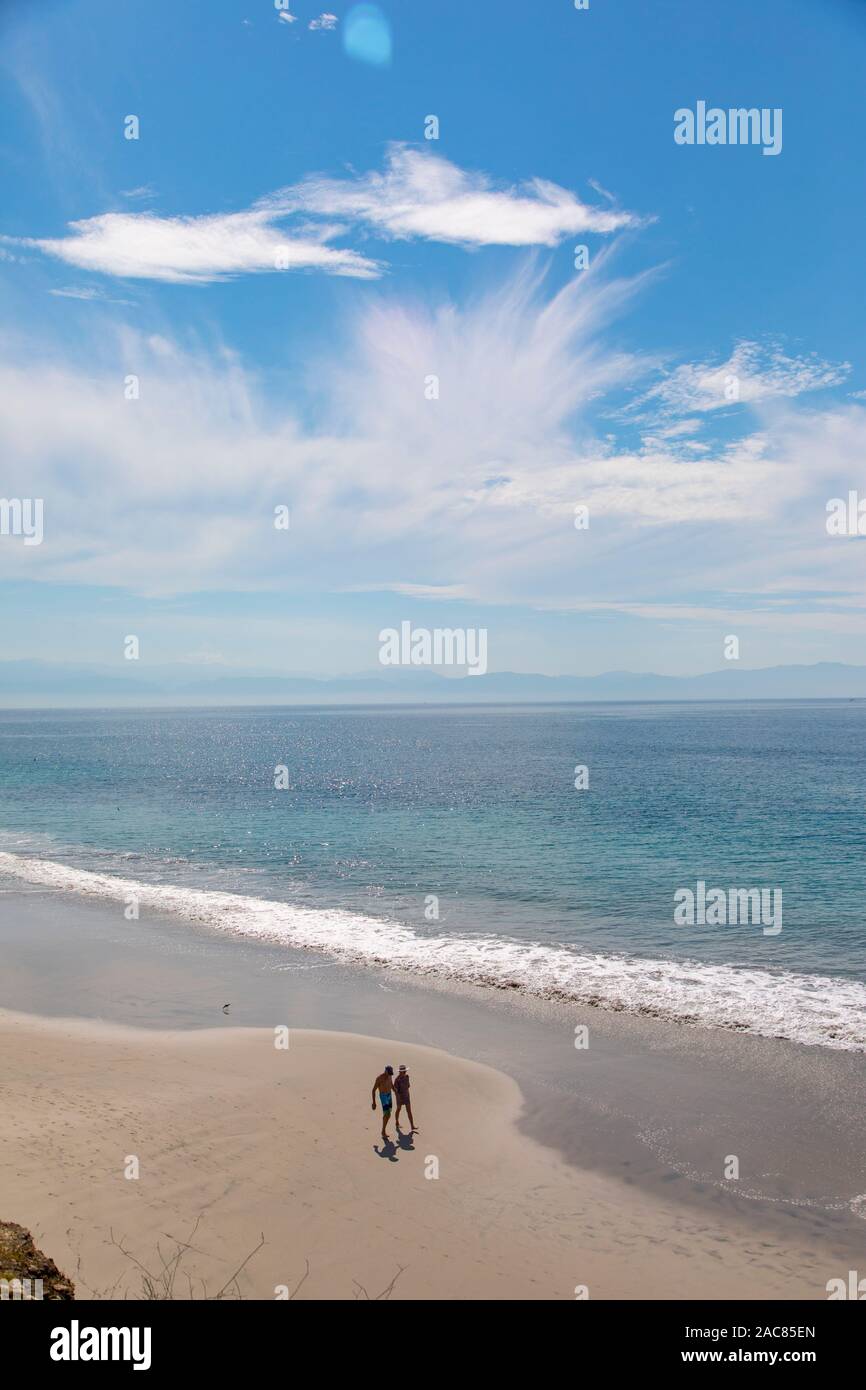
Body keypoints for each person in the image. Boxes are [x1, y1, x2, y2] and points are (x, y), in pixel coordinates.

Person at [371, 1065, 395, 1141]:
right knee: (388, 1114)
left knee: (388, 1114)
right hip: (383, 1096)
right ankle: (383, 1131)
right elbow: (373, 1090)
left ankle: (383, 1130)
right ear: (385, 1071)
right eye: (389, 1073)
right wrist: (374, 1102)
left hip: (389, 1095)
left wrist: (395, 1092)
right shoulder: (379, 1078)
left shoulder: (390, 1076)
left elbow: (391, 1084)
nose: (390, 1075)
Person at [394, 1064, 416, 1132]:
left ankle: (412, 1126)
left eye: (404, 1071)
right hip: (400, 1097)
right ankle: (397, 1122)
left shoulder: (407, 1077)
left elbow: (408, 1087)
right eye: (403, 1071)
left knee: (409, 1111)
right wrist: (398, 1098)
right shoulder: (397, 1080)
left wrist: (407, 1095)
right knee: (398, 1109)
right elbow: (395, 1091)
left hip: (406, 1096)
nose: (404, 1072)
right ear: (400, 1072)